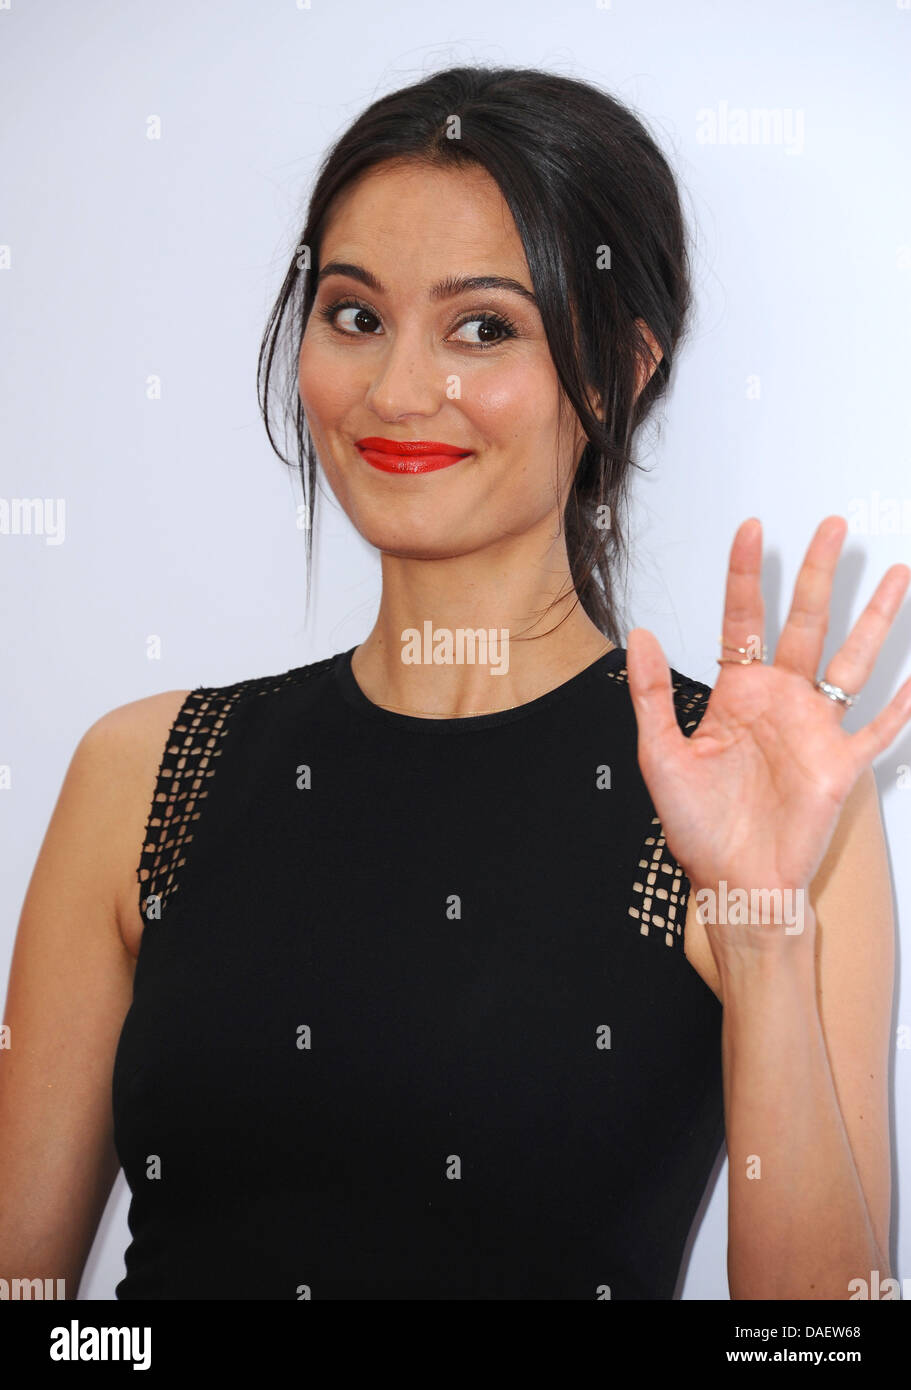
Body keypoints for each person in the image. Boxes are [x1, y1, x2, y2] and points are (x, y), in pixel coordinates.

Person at [1, 65, 907, 1301]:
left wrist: (756, 933)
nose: (395, 391)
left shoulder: (766, 801)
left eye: (484, 325)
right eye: (354, 315)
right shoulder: (144, 768)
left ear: (620, 374)